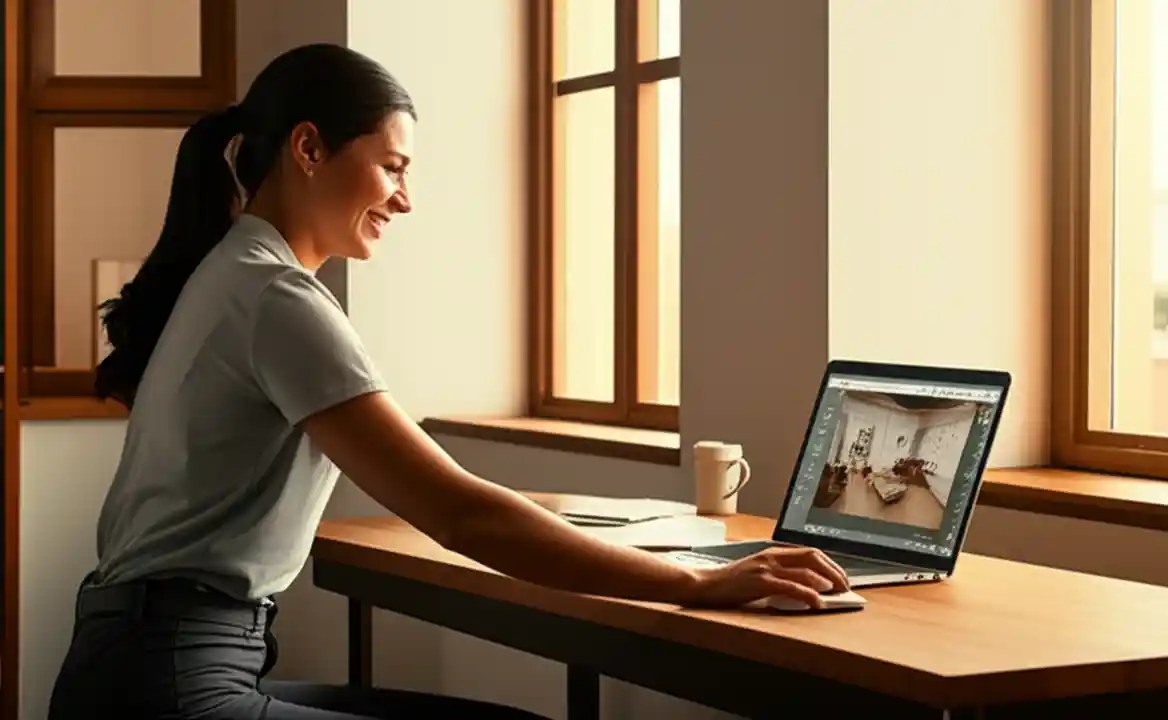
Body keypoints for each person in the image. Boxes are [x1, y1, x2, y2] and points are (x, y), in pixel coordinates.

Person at [46, 44, 848, 720]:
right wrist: (694, 583)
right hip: (172, 682)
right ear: (309, 149)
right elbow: (459, 513)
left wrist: (624, 541)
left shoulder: (240, 276)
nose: (405, 197)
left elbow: (454, 497)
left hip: (150, 665)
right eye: (392, 167)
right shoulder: (274, 297)